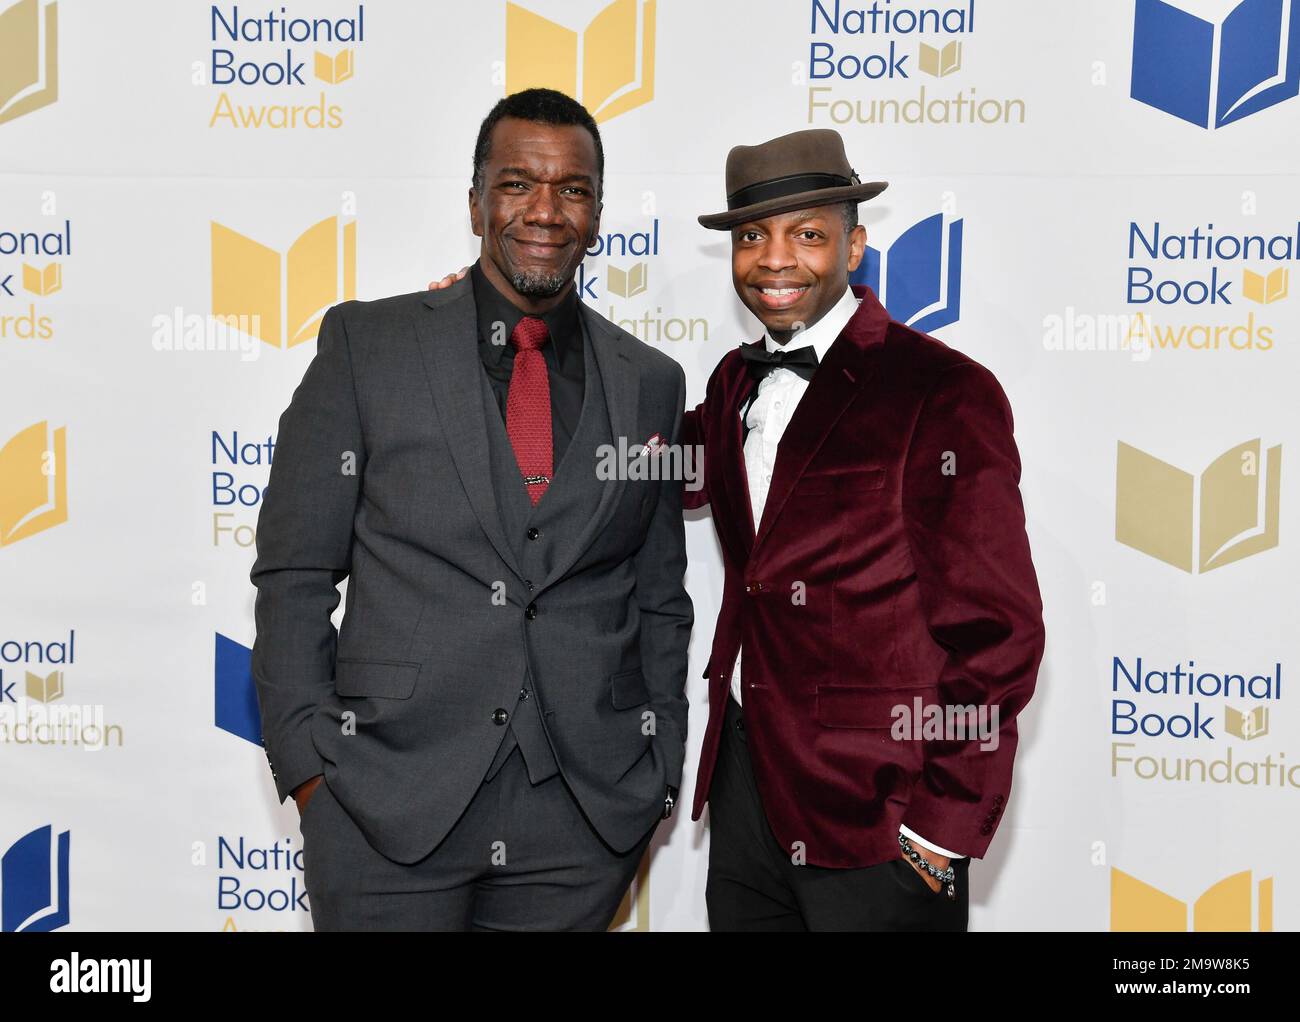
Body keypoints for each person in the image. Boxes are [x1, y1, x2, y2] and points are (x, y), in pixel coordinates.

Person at [251, 87, 691, 931]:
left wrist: (656, 764)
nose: (545, 210)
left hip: (580, 818)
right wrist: (312, 769)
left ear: (598, 213)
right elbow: (295, 572)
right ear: (476, 202)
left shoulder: (650, 384)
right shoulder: (367, 346)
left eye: (572, 189)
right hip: (383, 802)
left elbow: (658, 594)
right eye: (518, 182)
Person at [684, 128, 1045, 930]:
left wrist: (940, 829)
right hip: (747, 801)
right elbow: (655, 468)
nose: (776, 259)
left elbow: (1000, 634)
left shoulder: (942, 391)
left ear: (855, 248)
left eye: (808, 234)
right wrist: (505, 350)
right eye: (753, 237)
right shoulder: (734, 381)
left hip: (881, 821)